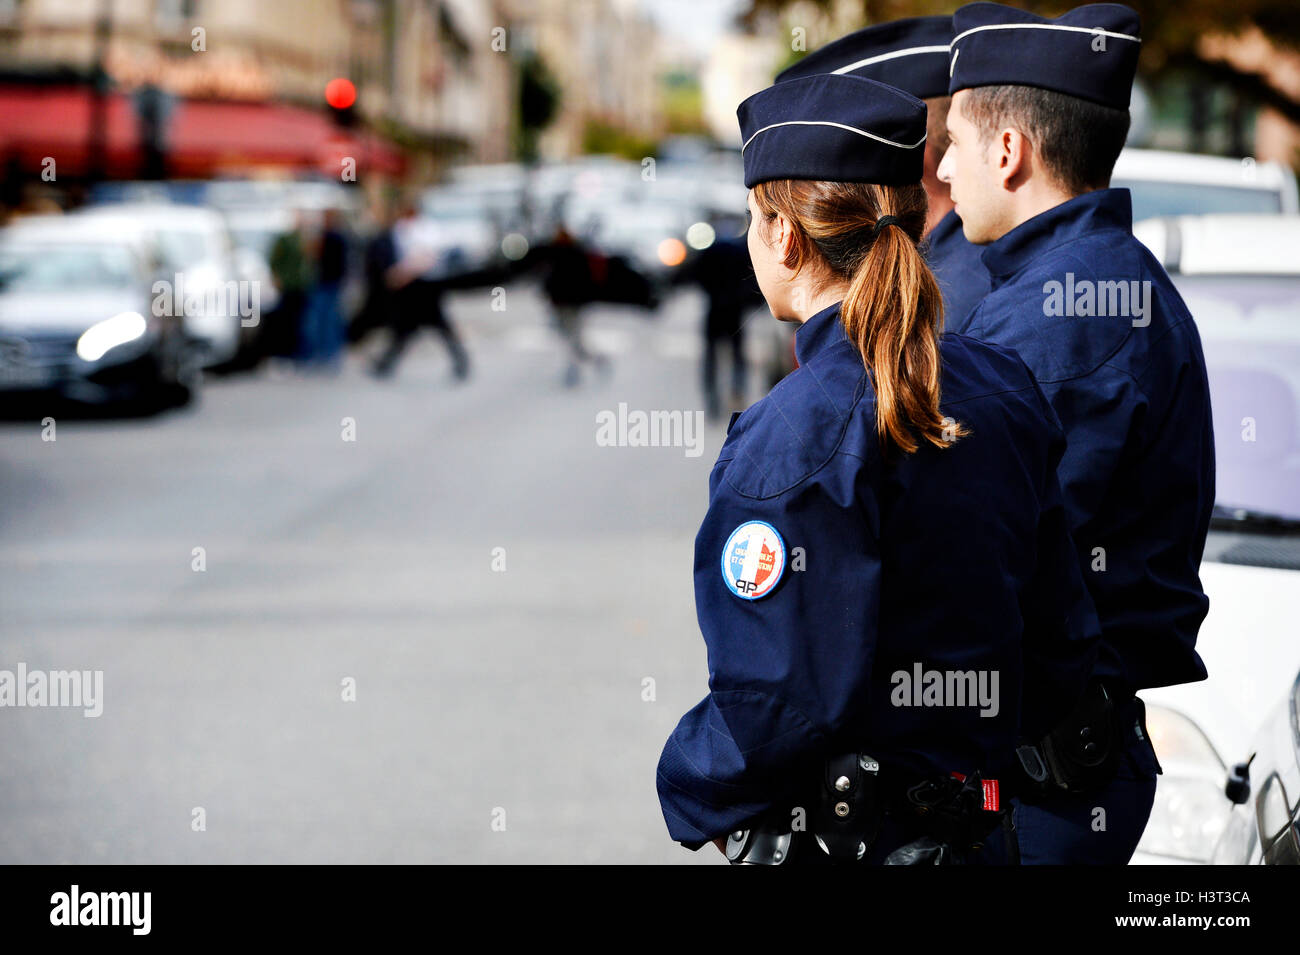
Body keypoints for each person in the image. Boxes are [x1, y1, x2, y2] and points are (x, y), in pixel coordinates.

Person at [656, 73, 1101, 864]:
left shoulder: (792, 433)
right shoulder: (1004, 384)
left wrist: (687, 778)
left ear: (784, 238)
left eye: (756, 219)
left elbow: (776, 707)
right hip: (989, 834)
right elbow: (1059, 641)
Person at [937, 2, 1215, 864]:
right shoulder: (1081, 285)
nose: (943, 169)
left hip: (1038, 790)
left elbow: (972, 565)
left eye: (953, 140)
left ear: (1010, 150)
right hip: (1057, 773)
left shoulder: (1055, 323)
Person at [777, 16, 989, 327]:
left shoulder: (943, 306)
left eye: (835, 170)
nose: (821, 194)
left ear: (911, 156)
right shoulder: (961, 274)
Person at [674, 215, 761, 420]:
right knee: (737, 356)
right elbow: (751, 281)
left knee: (711, 357)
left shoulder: (710, 250)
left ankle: (713, 397)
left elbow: (695, 275)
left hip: (715, 311)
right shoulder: (741, 250)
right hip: (735, 312)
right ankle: (737, 391)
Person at [371, 201, 470, 381]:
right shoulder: (403, 228)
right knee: (406, 328)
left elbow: (426, 257)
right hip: (413, 288)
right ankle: (385, 364)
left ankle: (461, 362)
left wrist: (402, 273)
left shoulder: (426, 229)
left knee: (437, 326)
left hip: (427, 285)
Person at [542, 226, 606, 387]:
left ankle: (574, 370)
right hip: (562, 304)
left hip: (572, 305)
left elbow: (581, 280)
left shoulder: (572, 254)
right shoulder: (560, 254)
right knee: (570, 338)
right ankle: (591, 361)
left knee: (573, 338)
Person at [299, 208, 348, 370]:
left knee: (325, 321)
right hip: (324, 283)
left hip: (328, 283)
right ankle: (325, 356)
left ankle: (327, 355)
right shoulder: (331, 237)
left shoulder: (333, 237)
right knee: (324, 321)